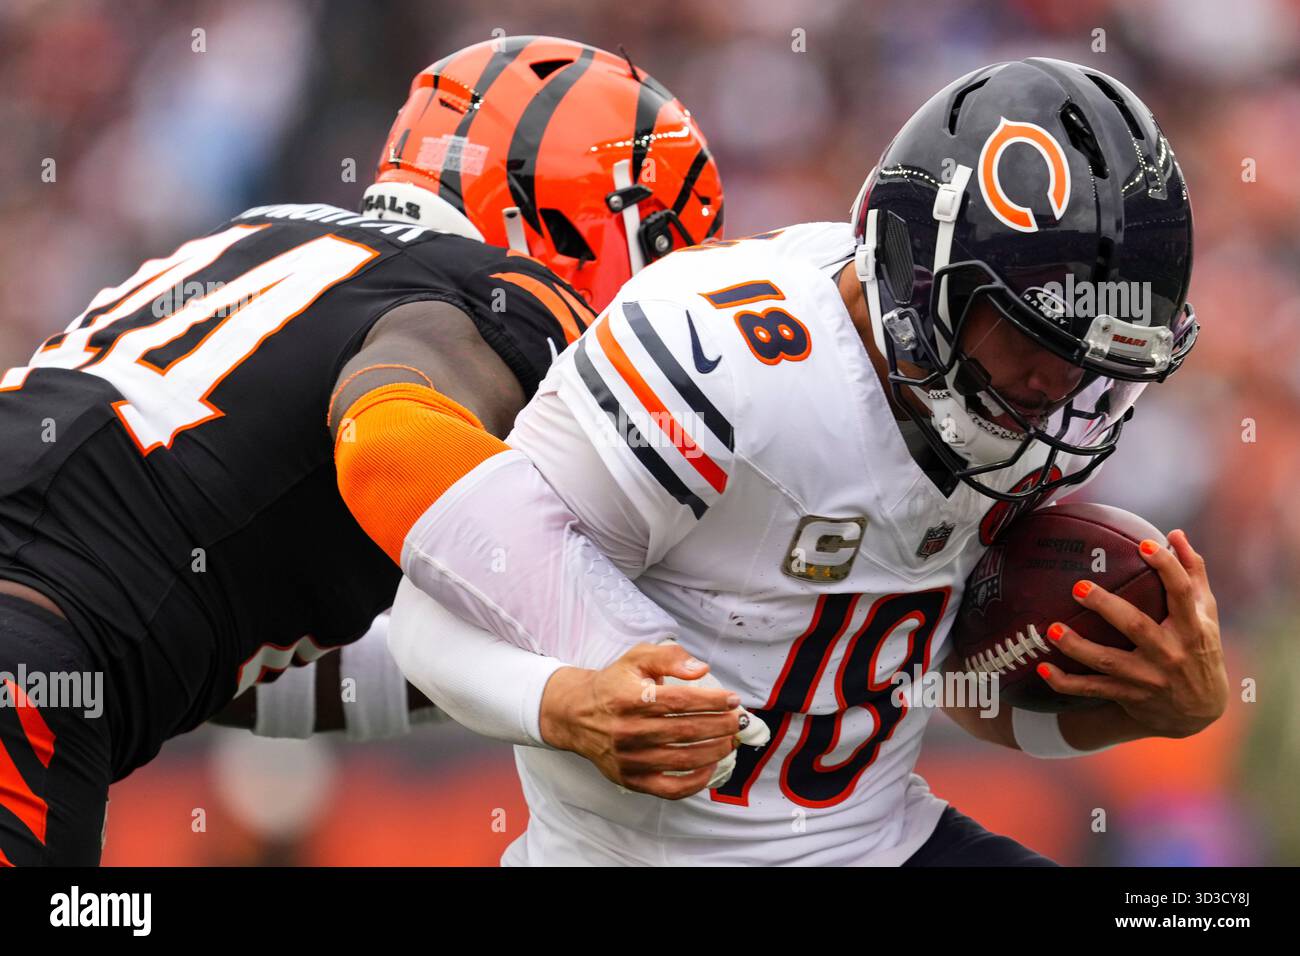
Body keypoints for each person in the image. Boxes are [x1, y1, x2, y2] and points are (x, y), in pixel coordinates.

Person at [386, 58, 1228, 865]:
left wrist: (1140, 707)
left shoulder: (1037, 407)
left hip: (880, 843)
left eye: (1091, 356)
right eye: (1030, 335)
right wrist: (562, 705)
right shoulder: (720, 364)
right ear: (917, 274)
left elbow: (962, 694)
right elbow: (435, 613)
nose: (1057, 383)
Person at [0, 35, 724, 865]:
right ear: (596, 216)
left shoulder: (267, 233)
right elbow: (388, 437)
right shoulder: (498, 295)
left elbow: (218, 658)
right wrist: (614, 653)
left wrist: (489, 677)